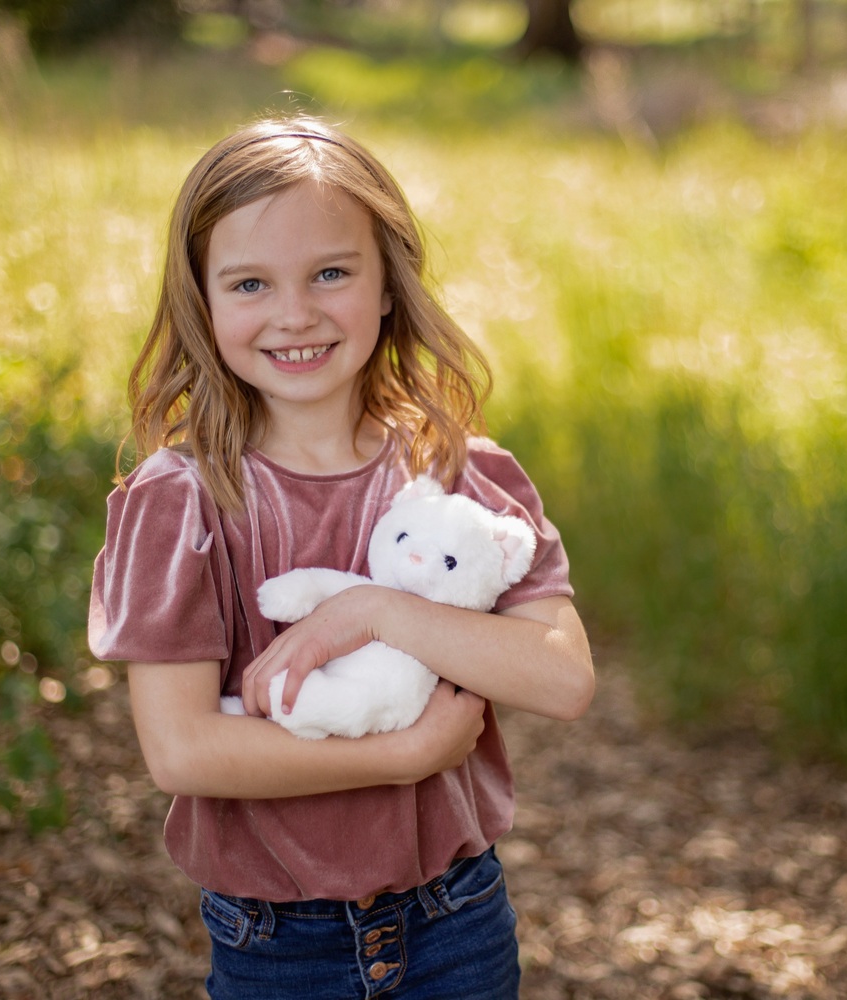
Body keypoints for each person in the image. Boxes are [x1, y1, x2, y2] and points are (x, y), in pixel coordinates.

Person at [88, 114, 594, 999]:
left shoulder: (459, 473)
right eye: (250, 283)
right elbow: (181, 751)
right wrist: (399, 756)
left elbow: (562, 679)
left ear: (388, 284)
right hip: (276, 940)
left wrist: (376, 610)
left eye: (331, 272)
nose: (296, 315)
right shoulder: (186, 499)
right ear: (201, 301)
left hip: (458, 922)